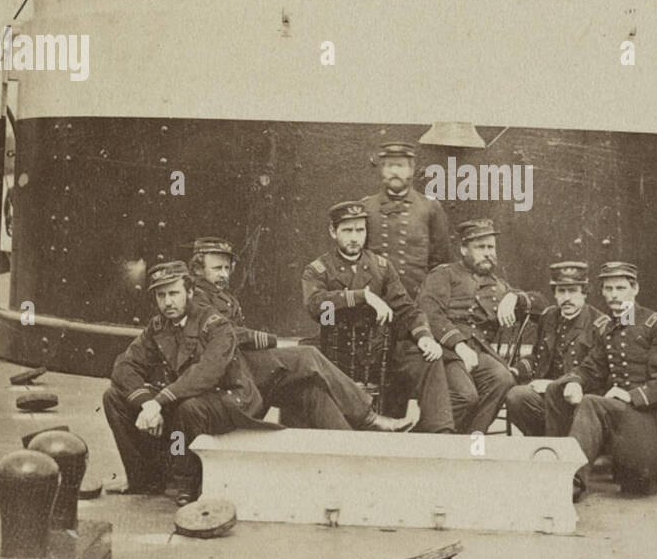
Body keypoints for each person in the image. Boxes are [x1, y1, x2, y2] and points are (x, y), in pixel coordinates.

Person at [188, 236, 409, 432]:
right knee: (308, 355)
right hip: (231, 371)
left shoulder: (222, 296)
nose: (224, 274)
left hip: (245, 369)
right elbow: (226, 334)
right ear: (198, 269)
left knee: (311, 391)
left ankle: (349, 446)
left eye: (227, 268)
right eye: (217, 268)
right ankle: (367, 418)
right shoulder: (196, 297)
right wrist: (276, 343)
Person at [103, 260, 269, 505]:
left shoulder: (215, 324)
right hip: (187, 396)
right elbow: (125, 365)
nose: (167, 302)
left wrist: (160, 400)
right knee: (113, 397)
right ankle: (143, 478)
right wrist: (148, 403)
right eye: (161, 295)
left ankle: (186, 482)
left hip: (231, 398)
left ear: (190, 292)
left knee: (188, 408)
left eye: (174, 293)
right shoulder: (158, 326)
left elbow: (207, 372)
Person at [302, 202, 452, 432]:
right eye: (347, 230)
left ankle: (439, 433)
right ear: (333, 232)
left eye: (360, 230)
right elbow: (317, 307)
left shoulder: (381, 268)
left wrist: (423, 336)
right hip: (337, 359)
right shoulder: (320, 270)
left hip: (380, 359)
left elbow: (407, 310)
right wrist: (362, 296)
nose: (355, 238)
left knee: (428, 357)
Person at [556, 262, 657, 499]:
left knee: (591, 403)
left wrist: (631, 395)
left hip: (656, 426)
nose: (614, 295)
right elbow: (591, 367)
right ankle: (558, 468)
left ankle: (570, 482)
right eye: (608, 289)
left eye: (620, 288)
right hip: (628, 423)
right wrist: (575, 381)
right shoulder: (608, 329)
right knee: (567, 391)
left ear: (635, 288)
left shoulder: (656, 325)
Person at [417, 219, 540, 435]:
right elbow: (430, 313)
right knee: (467, 397)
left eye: (491, 247)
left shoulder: (499, 286)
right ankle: (429, 435)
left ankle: (474, 436)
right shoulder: (444, 275)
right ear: (464, 249)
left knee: (503, 378)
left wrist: (515, 297)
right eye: (480, 247)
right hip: (444, 352)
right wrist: (460, 346)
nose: (487, 253)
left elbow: (540, 304)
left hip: (478, 352)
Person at [505, 261, 602, 437]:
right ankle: (542, 442)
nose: (567, 298)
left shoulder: (598, 324)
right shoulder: (549, 317)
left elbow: (595, 373)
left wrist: (553, 385)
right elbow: (537, 356)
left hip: (578, 398)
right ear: (555, 294)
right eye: (561, 291)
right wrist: (515, 370)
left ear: (584, 292)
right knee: (516, 397)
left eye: (572, 291)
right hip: (546, 397)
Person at [361, 141, 451, 297]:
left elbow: (440, 261)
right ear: (381, 169)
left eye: (400, 166)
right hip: (376, 298)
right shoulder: (367, 207)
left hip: (416, 298)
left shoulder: (430, 207)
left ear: (412, 169)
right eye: (389, 166)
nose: (394, 171)